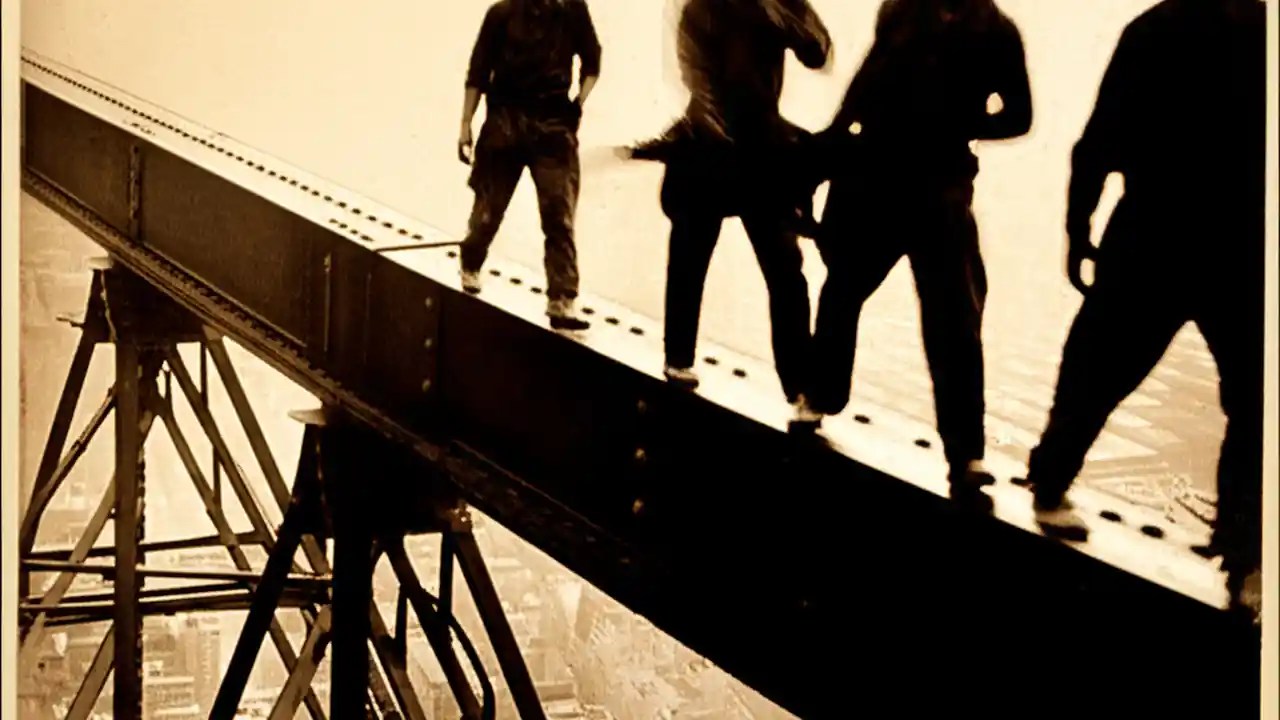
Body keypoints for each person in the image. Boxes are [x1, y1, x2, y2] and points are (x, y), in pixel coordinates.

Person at [1025, 0, 1265, 619]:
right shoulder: (1263, 31)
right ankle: (1246, 560)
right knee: (1255, 401)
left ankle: (1050, 483)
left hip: (1151, 229)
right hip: (1240, 243)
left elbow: (1096, 142)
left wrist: (1078, 230)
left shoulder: (1154, 28)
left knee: (1094, 371)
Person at [808, 0, 1032, 490]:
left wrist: (957, 123)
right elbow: (867, 78)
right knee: (857, 293)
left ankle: (962, 450)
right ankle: (823, 398)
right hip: (904, 183)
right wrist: (836, 135)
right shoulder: (916, 12)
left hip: (925, 186)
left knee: (945, 318)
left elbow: (1020, 115)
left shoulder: (991, 30)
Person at [622, 0, 834, 423]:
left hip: (761, 148)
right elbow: (695, 78)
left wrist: (782, 12)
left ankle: (800, 387)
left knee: (785, 270)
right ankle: (679, 357)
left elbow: (817, 52)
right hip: (711, 145)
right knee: (691, 255)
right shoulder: (698, 8)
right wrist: (710, 122)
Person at [458, 0, 602, 331]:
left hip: (549, 126)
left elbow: (592, 61)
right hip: (507, 123)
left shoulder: (571, 9)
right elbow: (478, 72)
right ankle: (472, 261)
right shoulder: (502, 13)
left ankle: (562, 298)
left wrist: (577, 103)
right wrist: (465, 123)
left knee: (558, 215)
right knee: (489, 210)